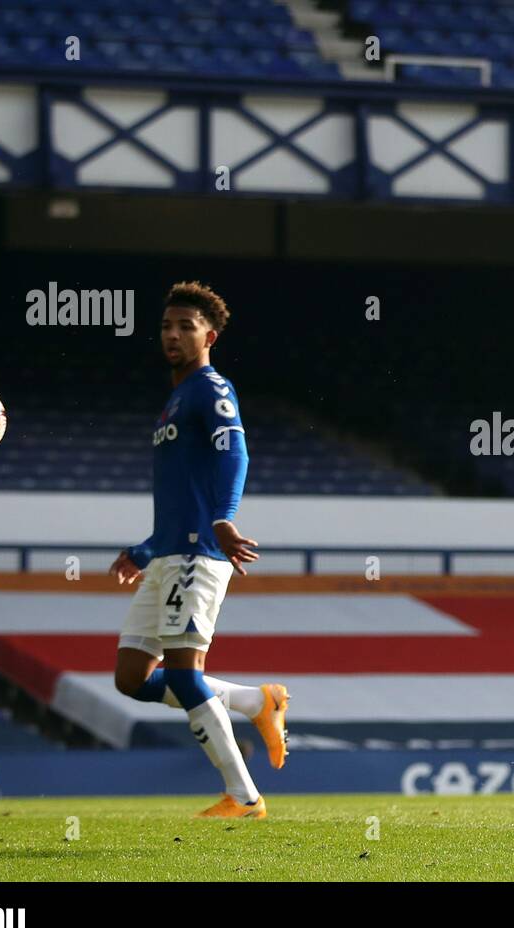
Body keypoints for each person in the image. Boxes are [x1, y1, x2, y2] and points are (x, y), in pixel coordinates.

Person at [109, 282, 288, 819]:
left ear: (208, 335)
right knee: (131, 679)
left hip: (198, 555)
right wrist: (144, 549)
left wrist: (223, 519)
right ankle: (261, 702)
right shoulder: (173, 400)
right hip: (168, 553)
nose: (173, 334)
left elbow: (236, 455)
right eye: (166, 326)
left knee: (185, 674)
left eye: (185, 326)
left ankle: (245, 796)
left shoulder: (211, 388)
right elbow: (180, 493)